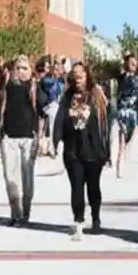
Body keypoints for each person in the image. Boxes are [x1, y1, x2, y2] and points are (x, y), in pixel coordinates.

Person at [53, 62, 112, 239]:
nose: (78, 78)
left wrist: (107, 150)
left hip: (94, 151)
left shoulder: (96, 95)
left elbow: (106, 123)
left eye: (82, 74)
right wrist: (55, 141)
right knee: (76, 186)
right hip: (73, 151)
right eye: (75, 74)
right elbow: (60, 119)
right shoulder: (67, 97)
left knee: (93, 187)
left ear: (87, 76)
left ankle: (95, 217)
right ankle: (78, 219)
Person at [0, 55, 45, 226]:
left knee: (27, 175)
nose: (21, 71)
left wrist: (35, 85)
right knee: (10, 176)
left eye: (25, 68)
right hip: (9, 136)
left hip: (28, 137)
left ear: (30, 71)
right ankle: (15, 212)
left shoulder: (33, 87)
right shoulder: (6, 86)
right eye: (18, 68)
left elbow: (43, 107)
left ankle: (26, 211)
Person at [114, 55, 138, 178]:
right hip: (122, 111)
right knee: (122, 137)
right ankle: (120, 161)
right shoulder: (121, 78)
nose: (133, 65)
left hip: (133, 111)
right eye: (131, 63)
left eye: (134, 63)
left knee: (129, 138)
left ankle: (124, 157)